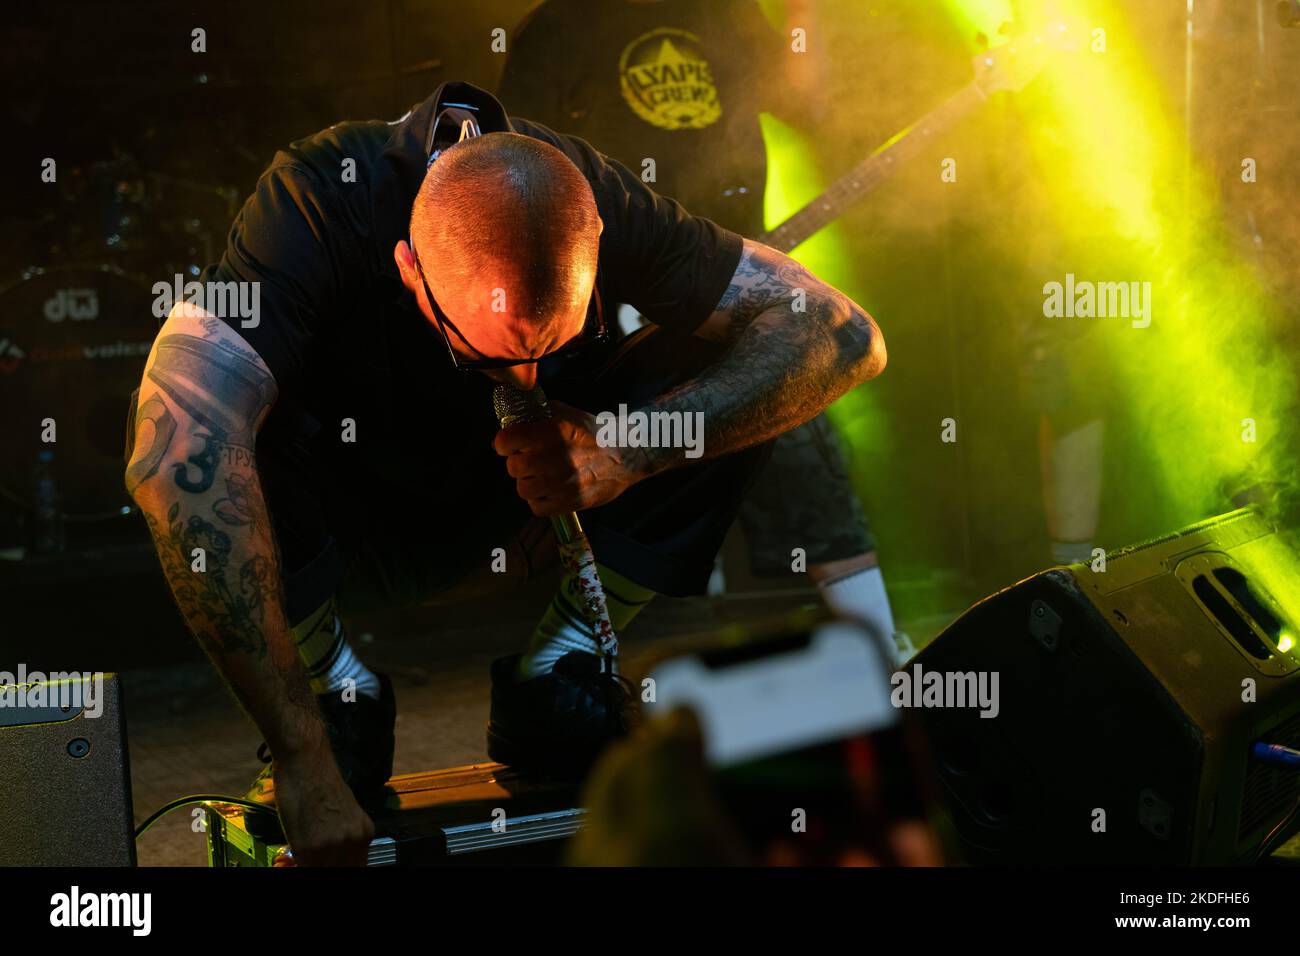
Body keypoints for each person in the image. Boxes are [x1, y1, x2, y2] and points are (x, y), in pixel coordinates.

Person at [123, 81, 887, 865]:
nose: (526, 385)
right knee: (215, 425)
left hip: (527, 508)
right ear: (410, 268)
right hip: (354, 525)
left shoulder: (589, 194)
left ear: (592, 234)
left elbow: (842, 330)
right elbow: (176, 450)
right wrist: (300, 756)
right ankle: (337, 690)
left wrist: (631, 446)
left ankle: (554, 674)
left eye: (553, 346)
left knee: (735, 364)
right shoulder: (315, 205)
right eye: (488, 354)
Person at [497, 0, 907, 657]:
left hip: (731, 281)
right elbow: (519, 167)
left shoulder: (729, 13)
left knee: (795, 419)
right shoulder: (563, 23)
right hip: (620, 289)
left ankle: (883, 653)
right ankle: (561, 666)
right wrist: (591, 298)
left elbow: (807, 102)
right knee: (634, 460)